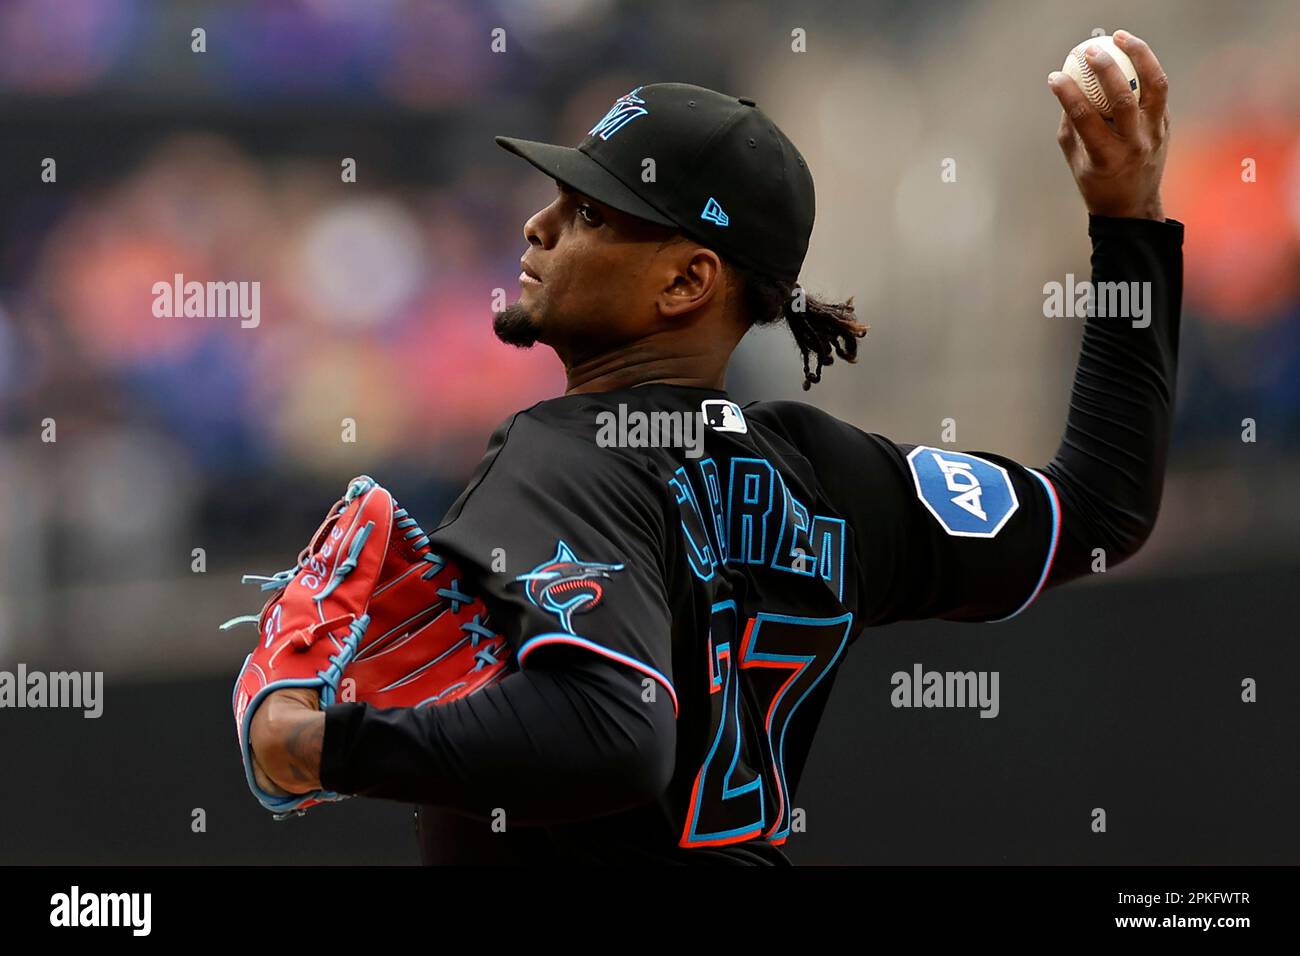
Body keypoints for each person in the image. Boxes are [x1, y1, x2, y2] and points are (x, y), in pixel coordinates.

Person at [248, 32, 1181, 864]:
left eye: (590, 213)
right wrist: (1128, 223)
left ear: (687, 280)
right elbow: (1099, 510)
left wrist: (316, 744)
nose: (539, 225)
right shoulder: (827, 470)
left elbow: (616, 734)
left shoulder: (568, 455)